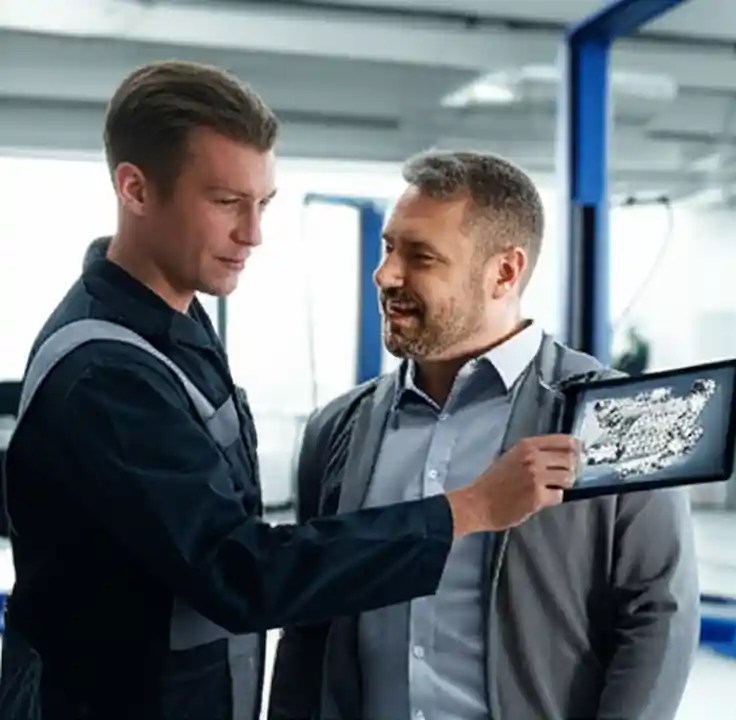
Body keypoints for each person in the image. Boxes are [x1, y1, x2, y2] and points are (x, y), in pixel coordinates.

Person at [0, 61, 576, 720]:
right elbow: (240, 572)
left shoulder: (175, 321)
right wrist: (468, 509)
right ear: (134, 189)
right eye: (225, 203)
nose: (253, 234)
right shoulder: (106, 372)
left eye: (263, 203)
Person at [268, 151, 700, 720]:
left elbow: (657, 614)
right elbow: (309, 624)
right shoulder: (338, 428)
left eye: (420, 257)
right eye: (388, 248)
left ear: (504, 272)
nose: (387, 275)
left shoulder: (616, 416)